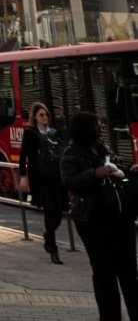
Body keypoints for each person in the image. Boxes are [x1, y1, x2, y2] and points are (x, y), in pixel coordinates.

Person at [60, 111, 138, 320]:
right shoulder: (71, 154)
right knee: (105, 273)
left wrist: (129, 169)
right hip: (93, 220)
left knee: (129, 272)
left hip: (120, 218)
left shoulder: (103, 148)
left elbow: (117, 165)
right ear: (86, 130)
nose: (101, 130)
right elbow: (70, 182)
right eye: (97, 127)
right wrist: (95, 174)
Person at [18, 102, 67, 264]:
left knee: (59, 211)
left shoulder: (54, 132)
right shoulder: (30, 133)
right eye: (41, 115)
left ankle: (48, 233)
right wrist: (23, 176)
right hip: (39, 177)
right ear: (35, 117)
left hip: (55, 177)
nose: (45, 117)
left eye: (46, 115)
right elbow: (23, 155)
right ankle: (53, 248)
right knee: (49, 209)